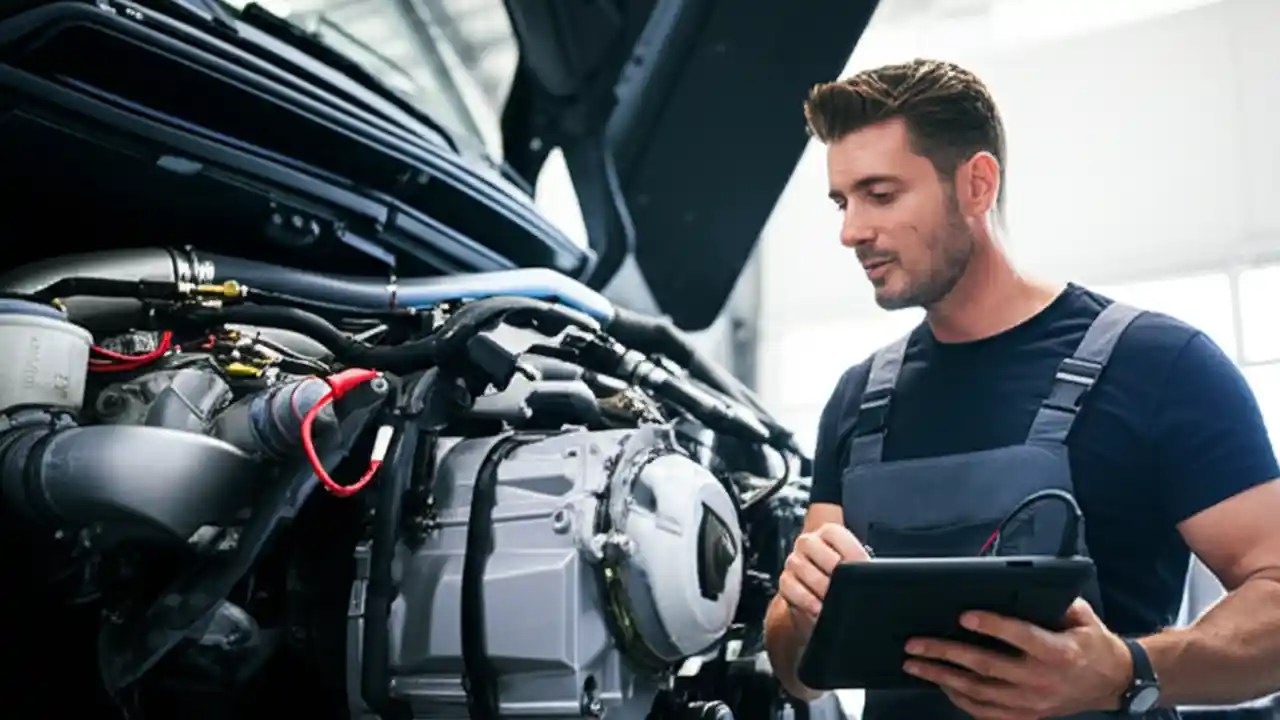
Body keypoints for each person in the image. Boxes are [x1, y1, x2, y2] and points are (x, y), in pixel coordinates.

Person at [763, 58, 1280, 720]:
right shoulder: (859, 402)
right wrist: (802, 611)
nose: (850, 231)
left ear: (976, 185)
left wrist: (1129, 669)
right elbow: (797, 672)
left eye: (881, 194)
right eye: (842, 201)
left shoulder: (1162, 367)